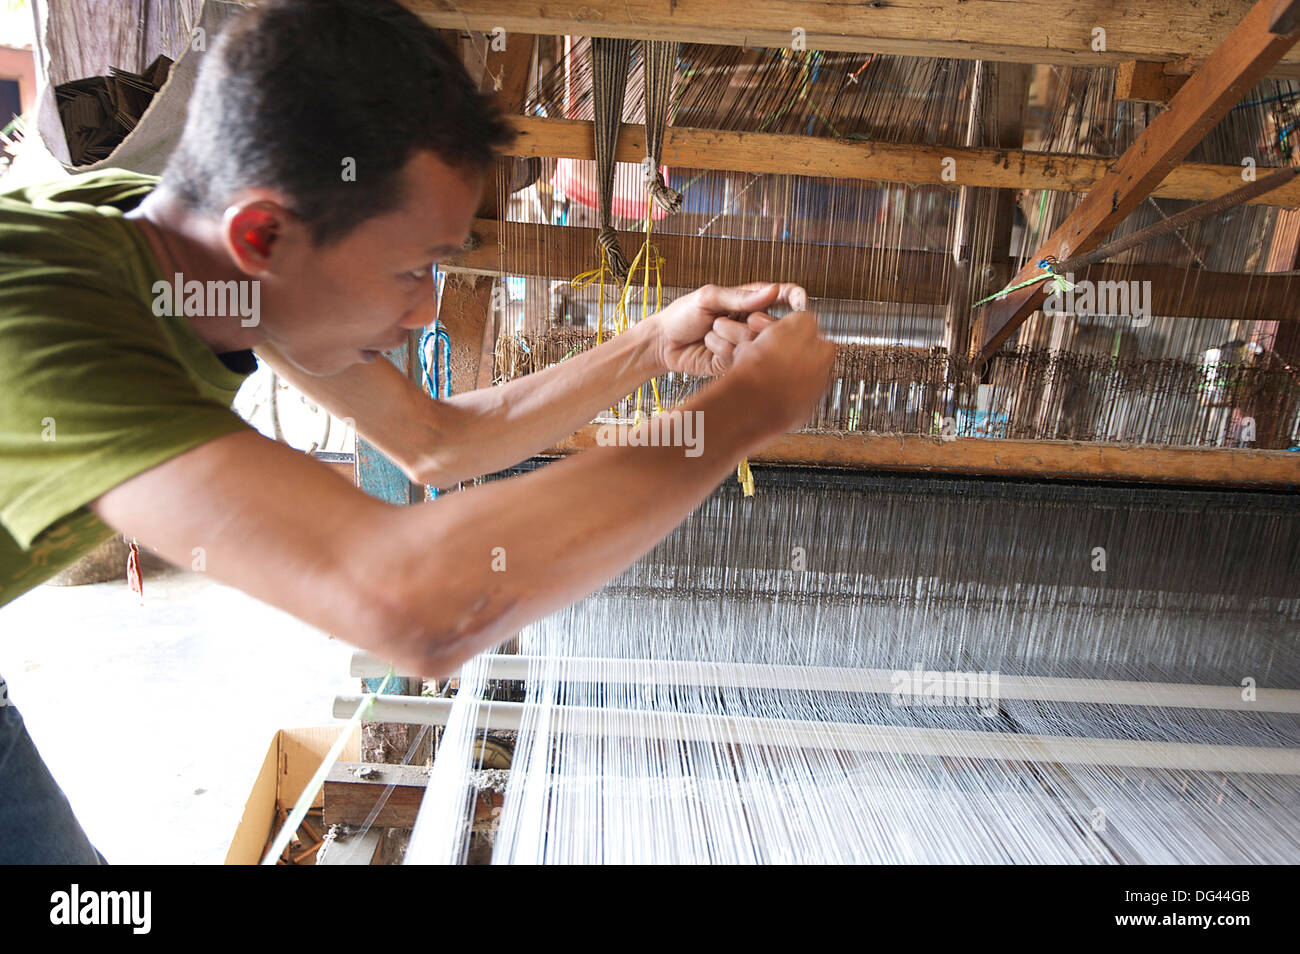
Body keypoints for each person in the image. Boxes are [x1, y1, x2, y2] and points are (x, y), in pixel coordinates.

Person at [0, 0, 835, 863]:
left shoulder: (180, 247)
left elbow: (437, 441)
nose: (429, 304)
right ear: (261, 232)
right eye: (410, 268)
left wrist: (656, 343)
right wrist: (744, 414)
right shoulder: (55, 328)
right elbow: (415, 605)